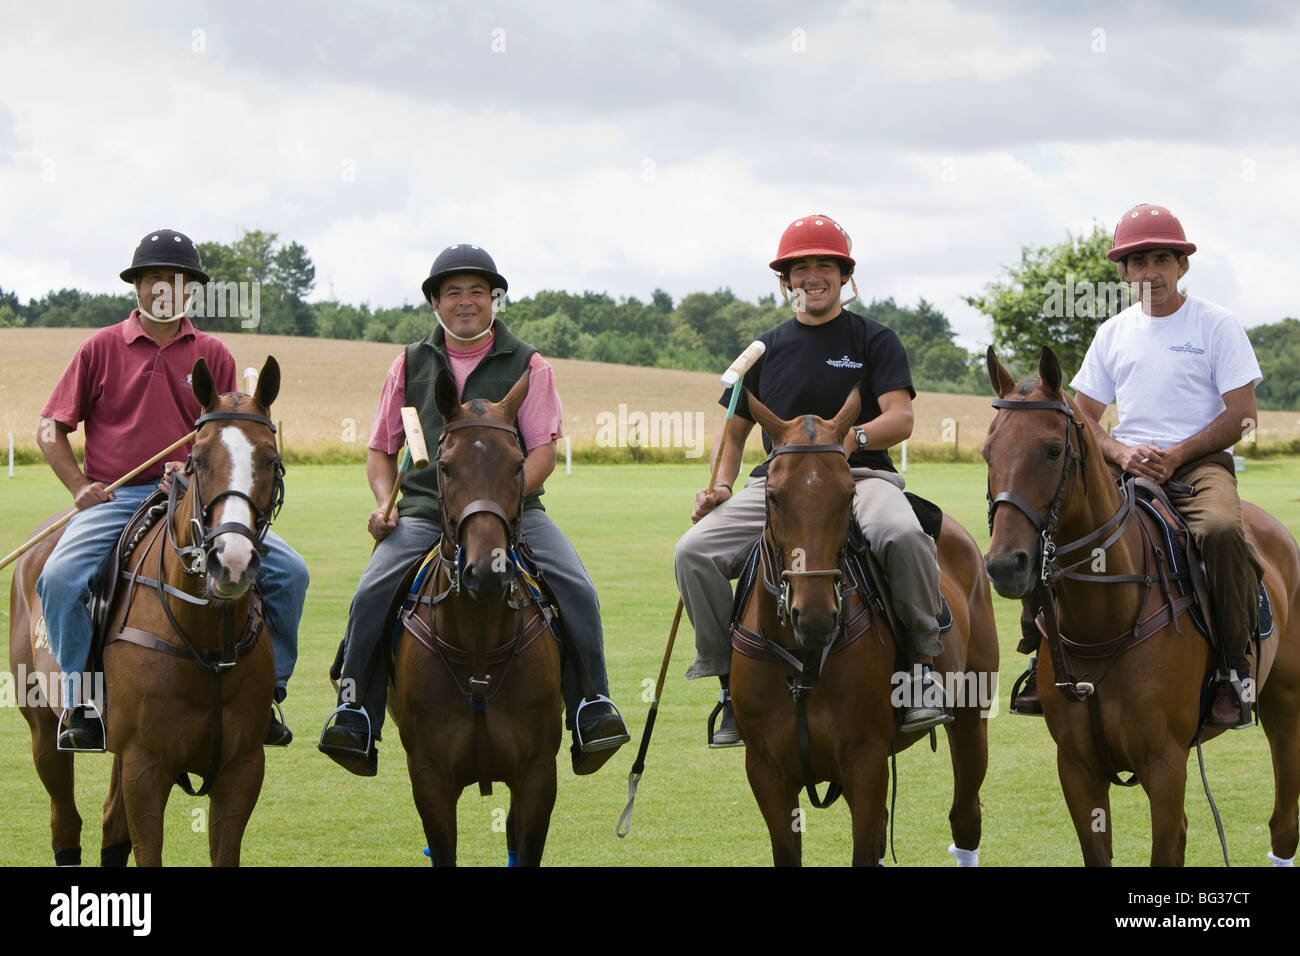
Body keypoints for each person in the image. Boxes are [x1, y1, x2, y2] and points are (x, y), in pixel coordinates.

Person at [318, 243, 628, 777]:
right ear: (435, 303)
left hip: (516, 512)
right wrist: (380, 502)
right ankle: (355, 712)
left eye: (478, 292)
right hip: (421, 513)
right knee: (371, 592)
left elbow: (544, 453)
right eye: (454, 292)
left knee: (576, 586)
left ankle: (591, 706)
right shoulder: (409, 364)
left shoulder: (528, 364)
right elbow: (380, 449)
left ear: (494, 300)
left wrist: (498, 506)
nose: (467, 302)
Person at [673, 214, 949, 743]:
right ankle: (727, 681)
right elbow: (732, 436)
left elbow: (901, 418)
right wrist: (723, 487)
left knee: (904, 534)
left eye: (825, 265)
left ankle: (920, 668)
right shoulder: (760, 351)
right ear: (787, 281)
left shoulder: (875, 339)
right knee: (693, 553)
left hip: (860, 478)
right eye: (801, 269)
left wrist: (855, 440)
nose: (813, 277)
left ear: (844, 276)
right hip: (776, 486)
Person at [36, 228, 310, 750]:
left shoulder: (213, 353)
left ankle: (269, 692)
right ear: (137, 286)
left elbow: (228, 437)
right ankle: (80, 703)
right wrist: (78, 485)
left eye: (177, 280)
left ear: (191, 292)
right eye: (154, 278)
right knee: (61, 578)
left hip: (195, 499)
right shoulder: (99, 348)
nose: (165, 288)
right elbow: (51, 427)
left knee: (291, 574)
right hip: (115, 501)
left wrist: (191, 471)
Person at [1020, 202, 1261, 729]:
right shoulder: (1113, 333)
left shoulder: (1216, 325)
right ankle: (1039, 654)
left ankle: (1231, 668)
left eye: (1160, 258)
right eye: (1137, 261)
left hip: (1198, 466)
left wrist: (1177, 454)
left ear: (1182, 265)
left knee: (1220, 532)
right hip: (1126, 466)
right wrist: (1122, 452)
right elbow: (1083, 416)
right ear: (1125, 272)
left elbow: (1243, 416)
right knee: (1047, 523)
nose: (1149, 271)